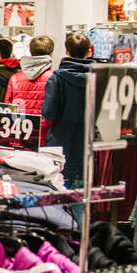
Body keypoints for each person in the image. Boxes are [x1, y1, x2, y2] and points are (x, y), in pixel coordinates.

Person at [42, 32, 97, 187]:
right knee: (82, 198)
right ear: (89, 52)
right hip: (88, 146)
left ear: (66, 51)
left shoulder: (57, 78)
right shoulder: (99, 79)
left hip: (60, 145)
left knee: (57, 195)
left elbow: (49, 113)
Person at [6, 36, 55, 135]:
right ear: (50, 54)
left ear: (31, 52)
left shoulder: (14, 78)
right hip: (45, 134)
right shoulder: (54, 78)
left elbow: (9, 108)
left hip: (20, 133)